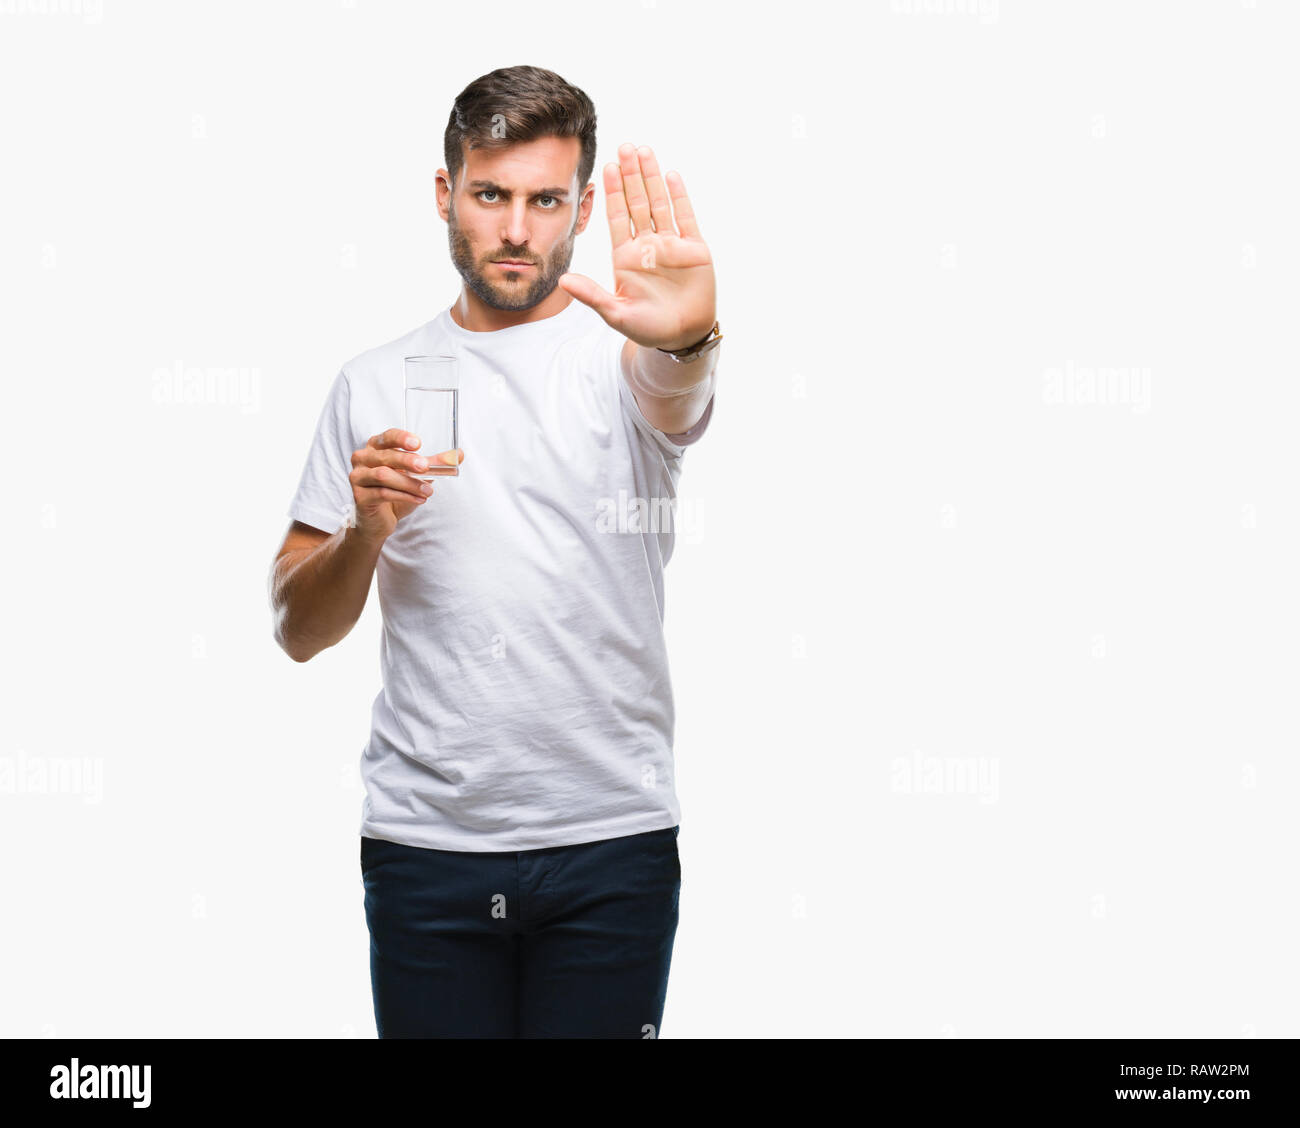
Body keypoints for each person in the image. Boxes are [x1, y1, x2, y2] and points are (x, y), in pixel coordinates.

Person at [267, 65, 721, 1038]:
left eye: (545, 200)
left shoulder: (627, 360)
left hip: (611, 842)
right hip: (428, 849)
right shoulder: (373, 380)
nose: (517, 229)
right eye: (491, 195)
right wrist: (365, 531)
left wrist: (690, 341)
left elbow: (675, 388)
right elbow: (297, 628)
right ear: (446, 194)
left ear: (584, 207)